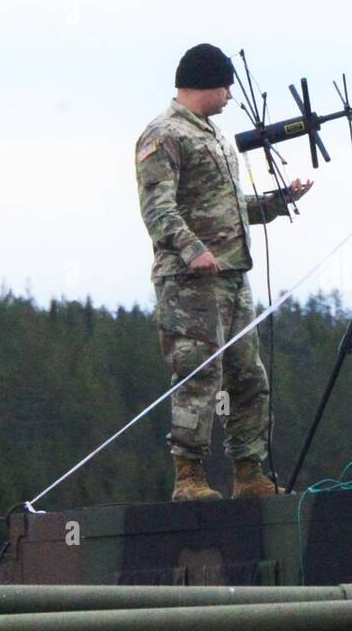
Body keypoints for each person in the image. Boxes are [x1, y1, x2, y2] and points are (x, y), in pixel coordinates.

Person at [134, 43, 313, 501]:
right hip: (189, 283)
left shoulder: (215, 136)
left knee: (248, 375)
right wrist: (192, 250)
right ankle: (189, 477)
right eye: (226, 85)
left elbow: (227, 209)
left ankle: (249, 473)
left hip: (233, 277)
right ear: (207, 83)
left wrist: (278, 202)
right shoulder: (163, 134)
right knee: (197, 374)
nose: (231, 95)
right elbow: (158, 208)